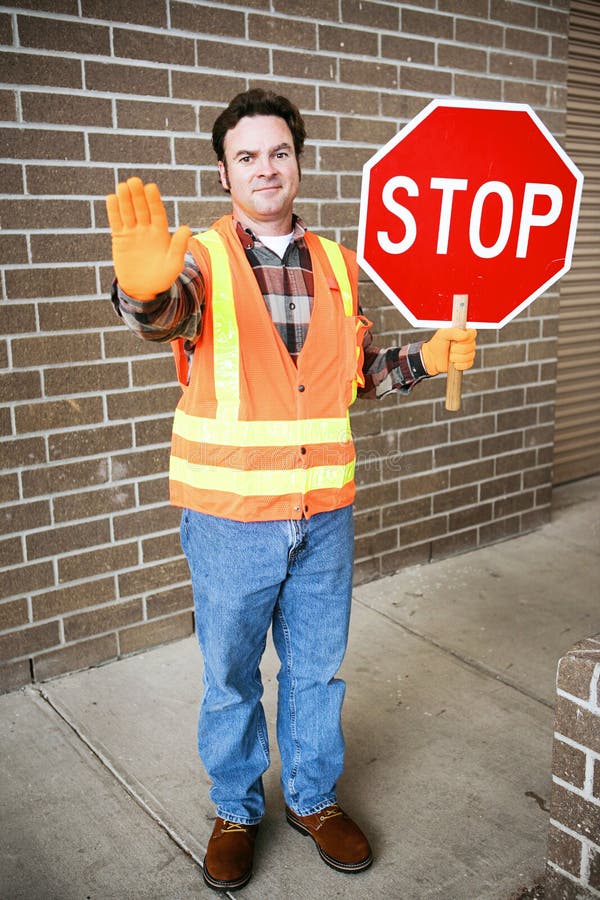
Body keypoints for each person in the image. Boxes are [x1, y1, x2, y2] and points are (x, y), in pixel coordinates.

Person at [107, 89, 476, 893]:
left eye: (279, 152)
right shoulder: (200, 259)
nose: (265, 168)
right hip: (231, 518)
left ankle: (313, 798)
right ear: (224, 171)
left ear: (298, 162)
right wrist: (141, 293)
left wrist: (427, 360)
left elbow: (354, 379)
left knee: (317, 671)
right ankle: (236, 809)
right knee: (231, 673)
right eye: (248, 157)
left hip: (324, 517)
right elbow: (169, 313)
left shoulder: (340, 265)